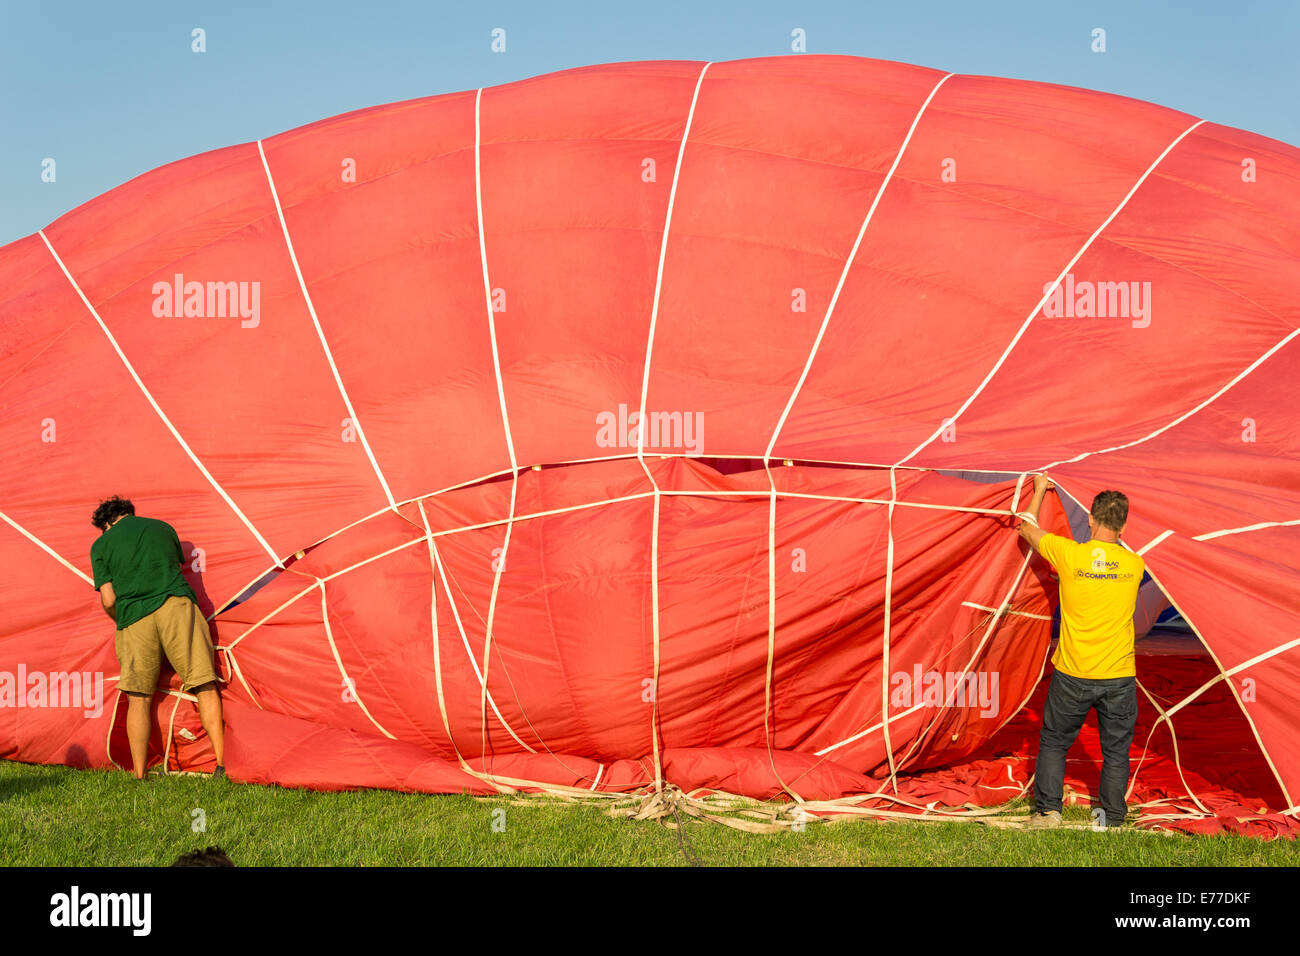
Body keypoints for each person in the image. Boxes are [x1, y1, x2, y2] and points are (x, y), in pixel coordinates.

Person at [1016, 475, 1144, 830]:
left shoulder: (1070, 555)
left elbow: (1025, 528)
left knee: (1055, 742)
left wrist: (1040, 489)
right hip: (1118, 676)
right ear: (1124, 525)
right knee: (1116, 752)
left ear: (1089, 518)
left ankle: (1048, 813)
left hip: (1073, 673)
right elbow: (1113, 561)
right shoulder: (1135, 565)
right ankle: (1113, 820)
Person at [89, 496, 226, 780]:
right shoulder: (162, 528)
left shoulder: (101, 545)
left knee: (139, 697)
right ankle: (223, 765)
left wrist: (122, 618)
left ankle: (140, 774)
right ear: (129, 513)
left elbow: (109, 598)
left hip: (134, 617)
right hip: (176, 605)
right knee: (203, 683)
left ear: (106, 524)